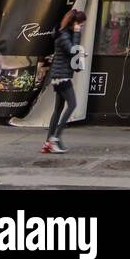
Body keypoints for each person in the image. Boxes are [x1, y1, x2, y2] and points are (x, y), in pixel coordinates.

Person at [42, 8, 87, 154]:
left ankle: (49, 141)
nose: (82, 26)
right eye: (81, 24)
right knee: (72, 104)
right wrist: (77, 33)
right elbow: (72, 50)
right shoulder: (64, 35)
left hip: (59, 75)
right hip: (62, 76)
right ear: (75, 23)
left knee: (58, 109)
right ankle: (55, 137)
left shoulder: (63, 33)